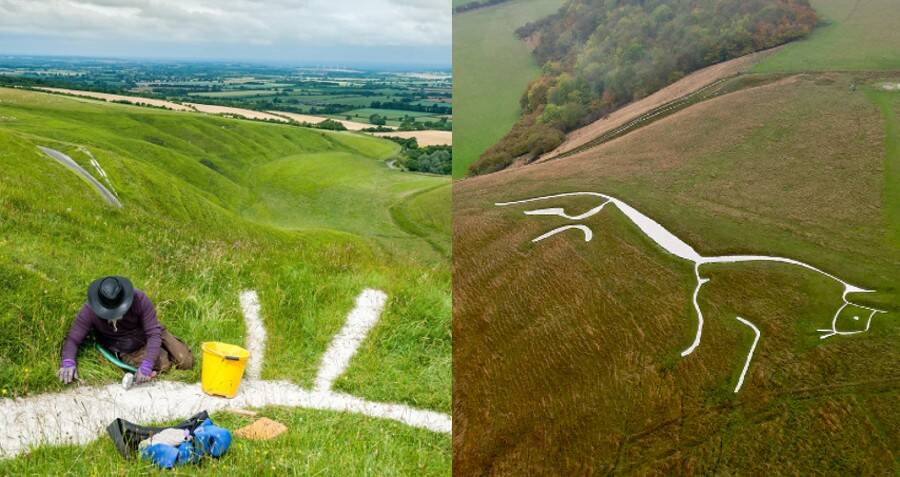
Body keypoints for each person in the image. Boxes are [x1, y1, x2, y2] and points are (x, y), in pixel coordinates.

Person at [58, 276, 194, 385]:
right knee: (164, 364)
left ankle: (159, 350)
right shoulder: (89, 310)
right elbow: (73, 339)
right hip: (128, 347)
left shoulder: (139, 299)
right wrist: (68, 361)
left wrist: (147, 365)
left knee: (187, 362)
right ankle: (160, 355)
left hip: (148, 332)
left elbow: (153, 333)